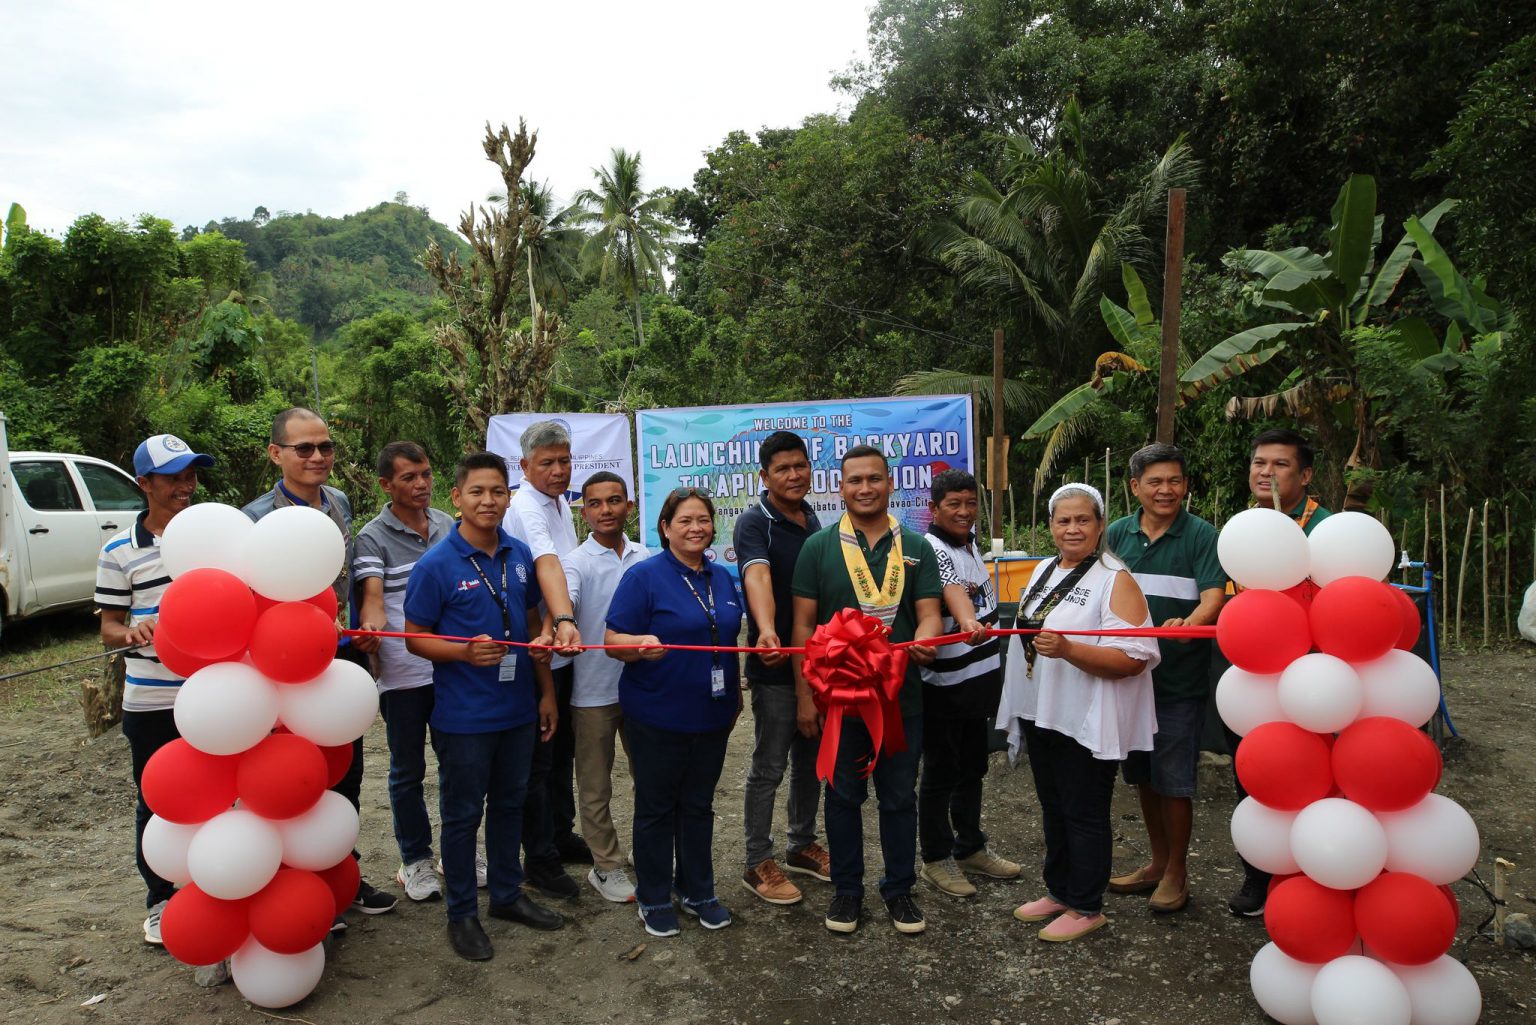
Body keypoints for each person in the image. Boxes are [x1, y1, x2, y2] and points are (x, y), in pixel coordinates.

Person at [402, 451, 564, 961]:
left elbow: (535, 621)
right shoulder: (435, 565)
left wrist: (546, 692)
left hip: (518, 710)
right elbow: (413, 639)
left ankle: (508, 896)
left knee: (512, 805)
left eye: (497, 491)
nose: (488, 501)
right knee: (462, 815)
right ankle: (463, 914)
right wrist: (463, 652)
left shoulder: (518, 555)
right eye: (477, 492)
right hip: (465, 718)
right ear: (458, 498)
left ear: (508, 496)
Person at [242, 408, 397, 920]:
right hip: (282, 674)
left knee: (344, 774)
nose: (317, 457)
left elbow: (344, 579)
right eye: (303, 448)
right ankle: (295, 892)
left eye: (324, 447)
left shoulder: (340, 502)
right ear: (276, 454)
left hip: (338, 660)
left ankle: (342, 876)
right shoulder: (255, 519)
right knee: (291, 779)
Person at [790, 445, 944, 936]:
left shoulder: (916, 546)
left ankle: (899, 890)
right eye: (854, 480)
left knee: (900, 796)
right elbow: (802, 628)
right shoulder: (817, 547)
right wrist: (802, 699)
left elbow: (927, 614)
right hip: (837, 703)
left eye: (874, 479)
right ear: (841, 487)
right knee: (841, 796)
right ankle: (847, 891)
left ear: (890, 484)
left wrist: (925, 639)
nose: (864, 488)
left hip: (903, 700)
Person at [996, 483, 1160, 943]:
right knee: (1054, 807)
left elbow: (1134, 658)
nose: (1073, 528)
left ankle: (1088, 905)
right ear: (1050, 526)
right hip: (1045, 711)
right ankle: (1061, 890)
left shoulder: (1115, 578)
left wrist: (1069, 649)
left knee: (1084, 811)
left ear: (1100, 524)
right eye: (1063, 520)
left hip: (1087, 717)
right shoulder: (1044, 570)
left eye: (1083, 519)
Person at [604, 487, 742, 937]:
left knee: (698, 807)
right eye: (685, 520)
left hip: (712, 714)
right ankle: (654, 895)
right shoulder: (645, 577)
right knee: (657, 808)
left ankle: (698, 890)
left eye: (703, 520)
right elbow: (612, 641)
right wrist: (639, 647)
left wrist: (734, 700)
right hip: (657, 716)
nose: (696, 528)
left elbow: (726, 640)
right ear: (665, 528)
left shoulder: (721, 577)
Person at [97, 434, 215, 947]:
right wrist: (132, 634)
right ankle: (161, 898)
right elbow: (110, 628)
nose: (185, 486)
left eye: (191, 475)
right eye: (173, 477)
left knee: (221, 798)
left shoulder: (216, 537)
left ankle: (219, 886)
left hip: (217, 696)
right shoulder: (119, 550)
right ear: (144, 484)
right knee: (160, 799)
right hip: (153, 698)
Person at [1104, 445, 1225, 915]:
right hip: (1130, 679)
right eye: (1155, 482)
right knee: (1143, 777)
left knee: (1175, 781)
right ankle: (1156, 863)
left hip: (1177, 680)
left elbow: (1214, 597)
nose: (1166, 490)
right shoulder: (1116, 533)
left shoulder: (1202, 535)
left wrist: (1189, 623)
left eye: (1175, 481)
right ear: (1135, 487)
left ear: (1186, 486)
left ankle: (1178, 871)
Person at [1225, 427, 1332, 916]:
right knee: (1255, 775)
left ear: (1306, 475)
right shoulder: (1244, 527)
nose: (1266, 473)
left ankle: (1320, 873)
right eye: (1259, 463)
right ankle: (1260, 875)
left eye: (1280, 465)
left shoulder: (1329, 530)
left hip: (1315, 679)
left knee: (1312, 776)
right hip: (1253, 680)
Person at [353, 441, 459, 903]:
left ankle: (457, 853)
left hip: (453, 669)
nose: (421, 485)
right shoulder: (371, 537)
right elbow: (373, 595)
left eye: (426, 474)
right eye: (409, 478)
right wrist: (371, 626)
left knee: (459, 765)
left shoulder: (448, 525)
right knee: (407, 771)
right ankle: (414, 860)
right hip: (401, 676)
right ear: (385, 485)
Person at [736, 431, 829, 906]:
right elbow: (758, 574)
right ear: (764, 476)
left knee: (811, 759)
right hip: (776, 665)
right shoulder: (756, 523)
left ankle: (800, 844)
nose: (794, 475)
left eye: (800, 466)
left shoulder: (813, 518)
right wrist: (767, 628)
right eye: (783, 469)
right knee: (769, 764)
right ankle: (757, 860)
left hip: (818, 664)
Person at [917, 469, 1020, 898]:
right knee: (941, 772)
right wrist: (965, 620)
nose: (964, 512)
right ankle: (936, 858)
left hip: (978, 677)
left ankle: (970, 846)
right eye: (954, 505)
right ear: (934, 509)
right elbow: (953, 589)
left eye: (970, 504)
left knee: (973, 768)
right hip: (944, 684)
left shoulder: (970, 542)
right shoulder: (930, 547)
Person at [504, 420, 586, 901]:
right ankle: (538, 858)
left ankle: (560, 833)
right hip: (540, 650)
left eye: (564, 461)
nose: (558, 471)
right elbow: (547, 563)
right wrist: (562, 617)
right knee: (537, 760)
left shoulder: (560, 502)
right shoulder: (525, 507)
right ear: (525, 467)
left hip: (564, 652)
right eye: (547, 464)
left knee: (561, 753)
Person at [560, 471, 649, 903]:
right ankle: (606, 866)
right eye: (595, 503)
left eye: (615, 501)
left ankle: (646, 851)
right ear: (584, 511)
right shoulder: (575, 562)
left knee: (648, 777)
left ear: (629, 506)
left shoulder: (647, 557)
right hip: (592, 693)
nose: (606, 510)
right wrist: (563, 624)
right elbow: (567, 601)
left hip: (641, 690)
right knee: (595, 786)